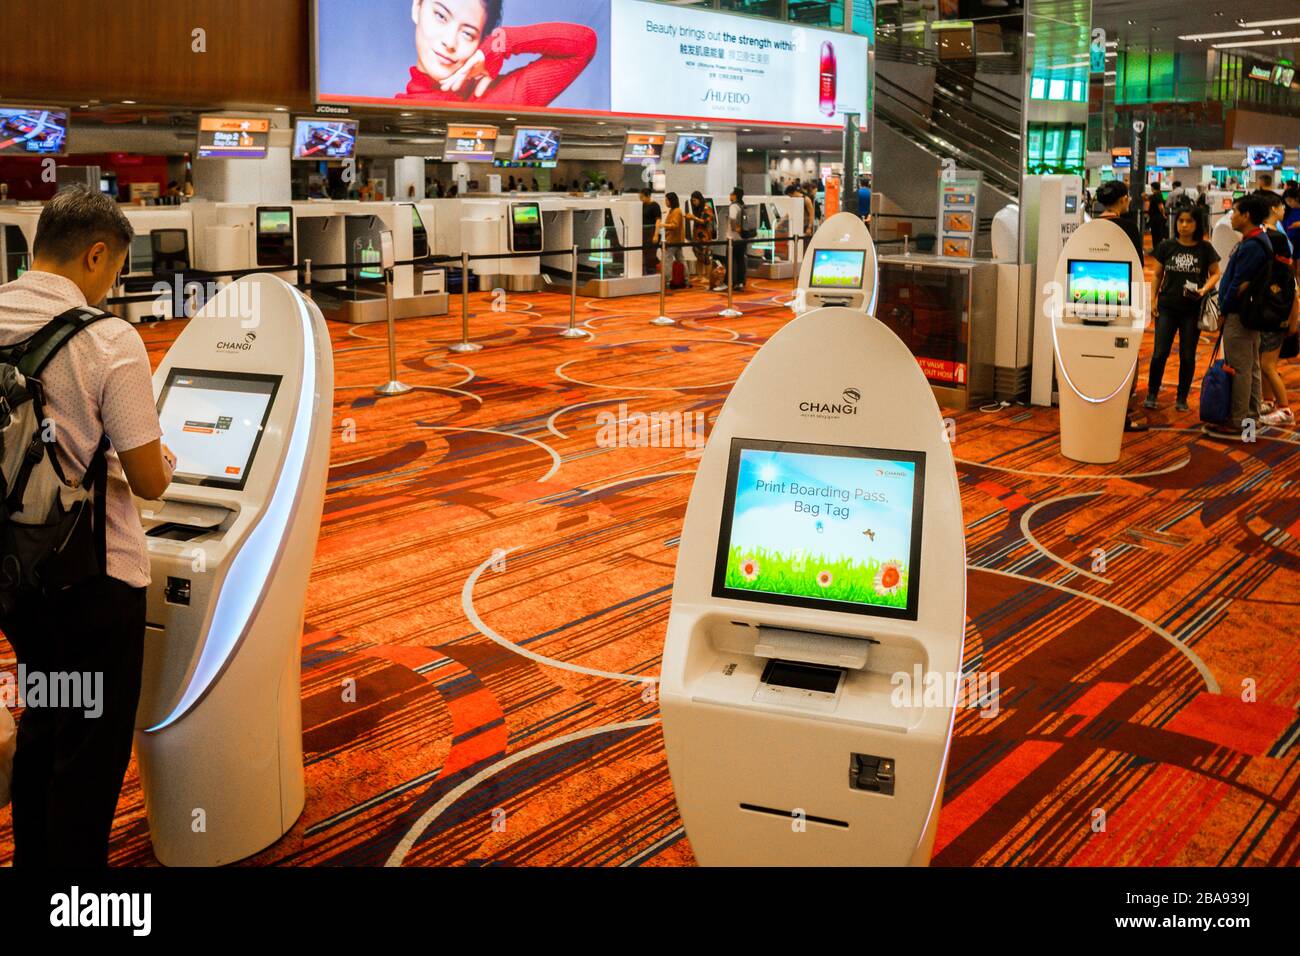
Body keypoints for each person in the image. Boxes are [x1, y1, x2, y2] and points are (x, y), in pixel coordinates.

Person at [0, 187, 176, 866]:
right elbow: (151, 478)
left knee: (44, 722)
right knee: (91, 753)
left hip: (17, 576)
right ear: (96, 254)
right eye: (116, 269)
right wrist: (160, 455)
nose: (113, 285)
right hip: (92, 583)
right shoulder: (108, 340)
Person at [398, 0, 596, 107]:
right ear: (417, 7)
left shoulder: (502, 98)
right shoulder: (395, 111)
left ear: (481, 42)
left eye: (468, 33)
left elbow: (584, 44)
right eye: (440, 16)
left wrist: (502, 43)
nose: (449, 42)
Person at [1209, 192, 1274, 440]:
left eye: (1235, 212)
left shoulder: (1252, 246)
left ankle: (1240, 421)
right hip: (1248, 314)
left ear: (1246, 216)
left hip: (1240, 314)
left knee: (1241, 369)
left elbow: (1239, 284)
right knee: (1251, 367)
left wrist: (1223, 311)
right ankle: (1251, 418)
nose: (1231, 216)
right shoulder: (1257, 240)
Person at [1147, 208, 1220, 412]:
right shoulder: (1166, 246)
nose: (1184, 225)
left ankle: (1182, 397)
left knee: (1187, 356)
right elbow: (1157, 275)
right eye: (1181, 221)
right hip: (1167, 307)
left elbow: (1216, 273)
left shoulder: (1205, 248)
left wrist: (1204, 288)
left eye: (1189, 221)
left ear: (1197, 224)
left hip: (1192, 309)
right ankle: (1152, 393)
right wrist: (1152, 299)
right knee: (1159, 353)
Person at [1095, 179, 1148, 430]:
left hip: (1094, 298)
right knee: (1125, 354)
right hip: (1124, 300)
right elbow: (1137, 265)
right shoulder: (1128, 228)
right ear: (1124, 199)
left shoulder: (1090, 226)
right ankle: (1123, 413)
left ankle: (1099, 407)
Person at [1258, 191, 1298, 426]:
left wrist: (1293, 319)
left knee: (1267, 364)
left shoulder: (1276, 238)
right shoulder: (1270, 235)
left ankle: (1284, 409)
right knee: (1263, 362)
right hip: (1270, 310)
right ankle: (1268, 401)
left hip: (1277, 312)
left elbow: (1291, 288)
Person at [685, 191, 715, 283]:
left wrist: (693, 218)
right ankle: (699, 275)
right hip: (697, 237)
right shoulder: (697, 208)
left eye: (695, 200)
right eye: (692, 201)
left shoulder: (706, 208)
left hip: (705, 237)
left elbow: (706, 221)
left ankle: (707, 277)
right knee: (699, 256)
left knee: (707, 257)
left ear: (699, 199)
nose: (694, 203)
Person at [660, 192, 688, 291]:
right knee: (681, 259)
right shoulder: (673, 211)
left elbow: (675, 225)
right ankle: (686, 280)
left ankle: (668, 281)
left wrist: (663, 225)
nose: (666, 202)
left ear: (672, 200)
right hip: (676, 240)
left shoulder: (676, 211)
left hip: (672, 241)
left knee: (667, 261)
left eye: (667, 200)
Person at [727, 186, 747, 292]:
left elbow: (732, 218)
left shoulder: (733, 206)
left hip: (733, 238)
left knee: (732, 261)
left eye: (731, 193)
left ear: (735, 195)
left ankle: (733, 282)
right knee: (740, 260)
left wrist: (735, 228)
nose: (729, 195)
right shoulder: (742, 205)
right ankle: (740, 282)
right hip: (742, 238)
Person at [640, 188, 662, 273]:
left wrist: (656, 234)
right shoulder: (642, 205)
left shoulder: (655, 205)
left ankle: (653, 271)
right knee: (646, 254)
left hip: (651, 233)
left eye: (642, 197)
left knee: (651, 255)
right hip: (644, 233)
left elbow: (658, 220)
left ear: (648, 196)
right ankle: (648, 271)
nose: (641, 199)